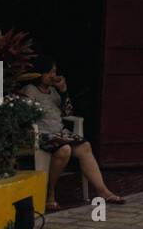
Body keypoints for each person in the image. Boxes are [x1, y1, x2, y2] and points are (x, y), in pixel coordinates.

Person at [20, 58, 124, 211]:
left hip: (60, 132)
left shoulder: (54, 91)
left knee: (85, 146)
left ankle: (103, 191)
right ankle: (50, 193)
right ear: (39, 73)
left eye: (54, 72)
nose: (53, 75)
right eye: (49, 72)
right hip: (42, 134)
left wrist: (63, 92)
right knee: (65, 150)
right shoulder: (30, 89)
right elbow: (25, 116)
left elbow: (68, 112)